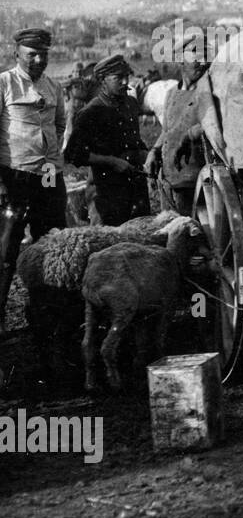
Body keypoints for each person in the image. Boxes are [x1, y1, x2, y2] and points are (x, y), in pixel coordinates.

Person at [0, 28, 68, 320]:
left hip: (50, 175)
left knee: (52, 244)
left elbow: (60, 125)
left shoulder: (54, 87)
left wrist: (49, 154)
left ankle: (47, 312)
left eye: (43, 54)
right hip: (15, 177)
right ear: (17, 54)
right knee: (5, 251)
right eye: (32, 54)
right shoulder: (4, 83)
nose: (39, 60)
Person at [64, 54, 150, 225]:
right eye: (118, 78)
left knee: (139, 242)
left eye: (127, 76)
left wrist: (147, 154)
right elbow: (74, 154)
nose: (126, 82)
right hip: (106, 193)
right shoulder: (91, 112)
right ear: (102, 80)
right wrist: (112, 161)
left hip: (136, 188)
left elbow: (134, 140)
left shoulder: (131, 104)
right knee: (107, 246)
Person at [144, 38, 209, 215]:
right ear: (180, 58)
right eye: (196, 54)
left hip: (198, 183)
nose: (203, 61)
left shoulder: (210, 93)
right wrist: (154, 151)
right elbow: (166, 130)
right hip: (169, 180)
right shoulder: (172, 93)